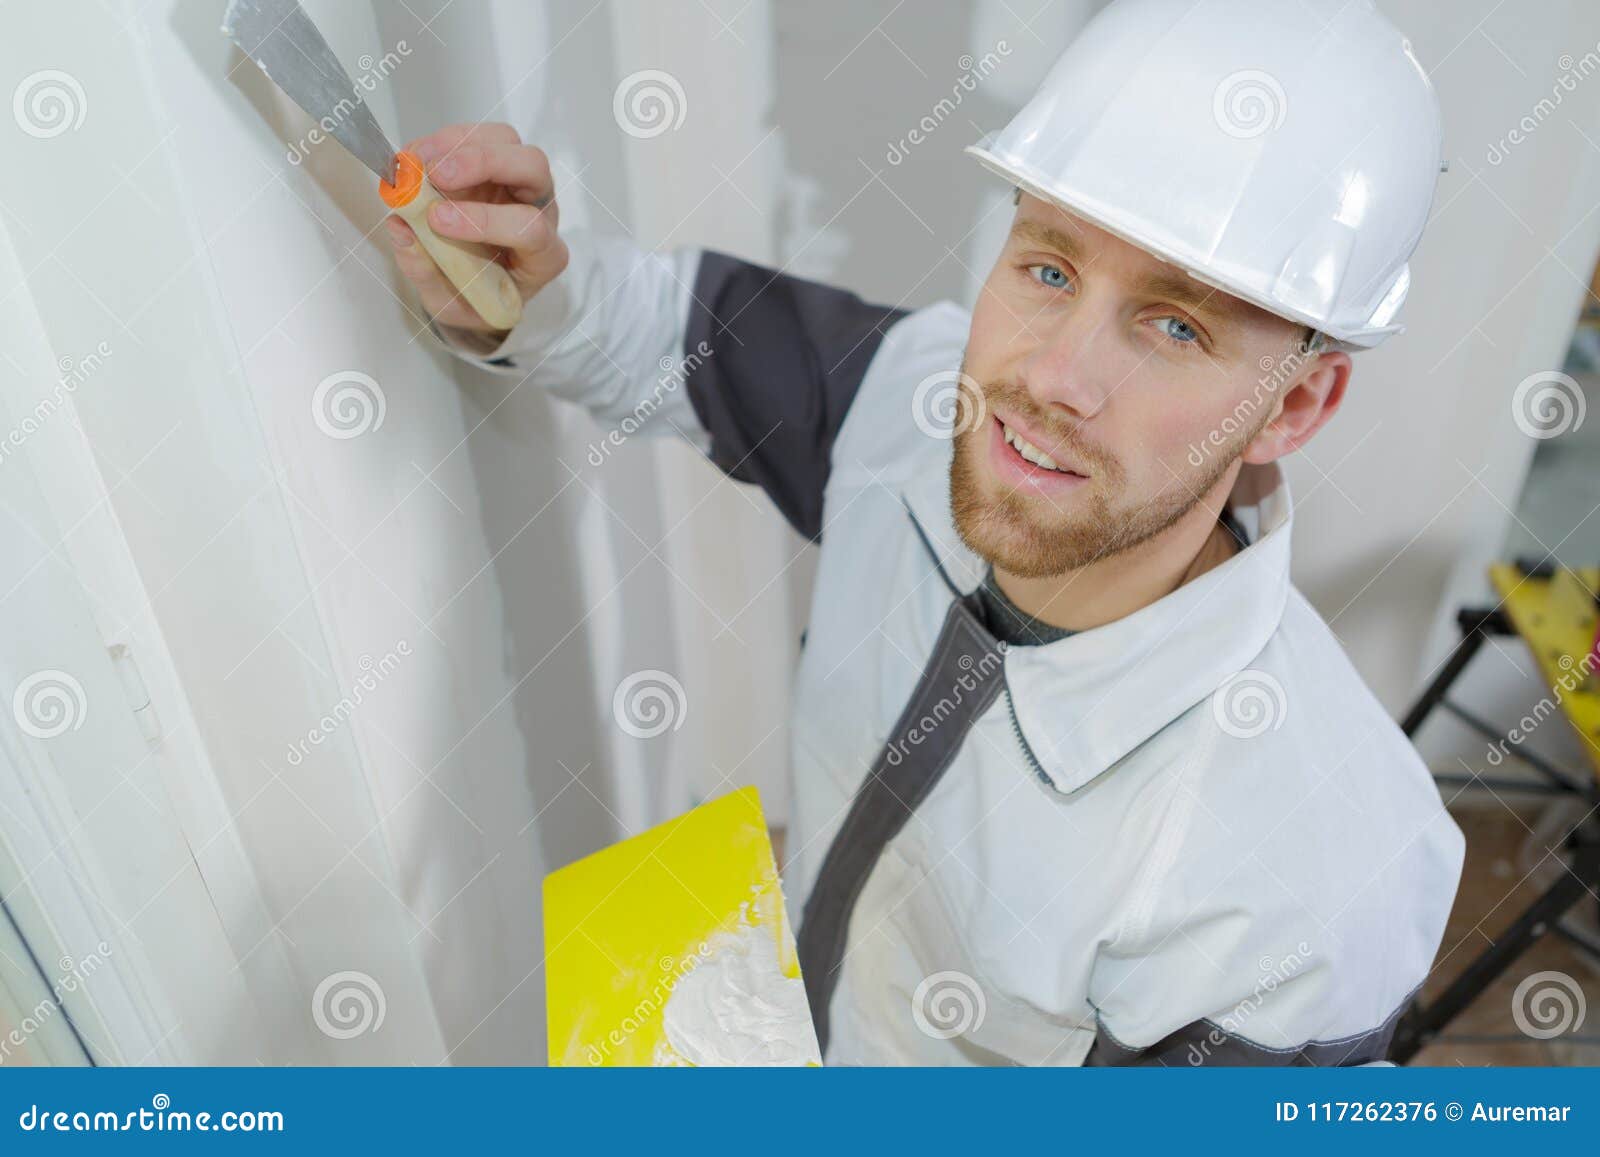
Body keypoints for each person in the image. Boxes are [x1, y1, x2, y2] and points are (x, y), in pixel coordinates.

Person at [385, 0, 1464, 1065]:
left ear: (1294, 405)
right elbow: (674, 331)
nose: (1048, 379)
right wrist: (523, 288)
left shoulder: (1313, 879)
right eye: (1048, 268)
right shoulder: (915, 402)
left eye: (1174, 326)